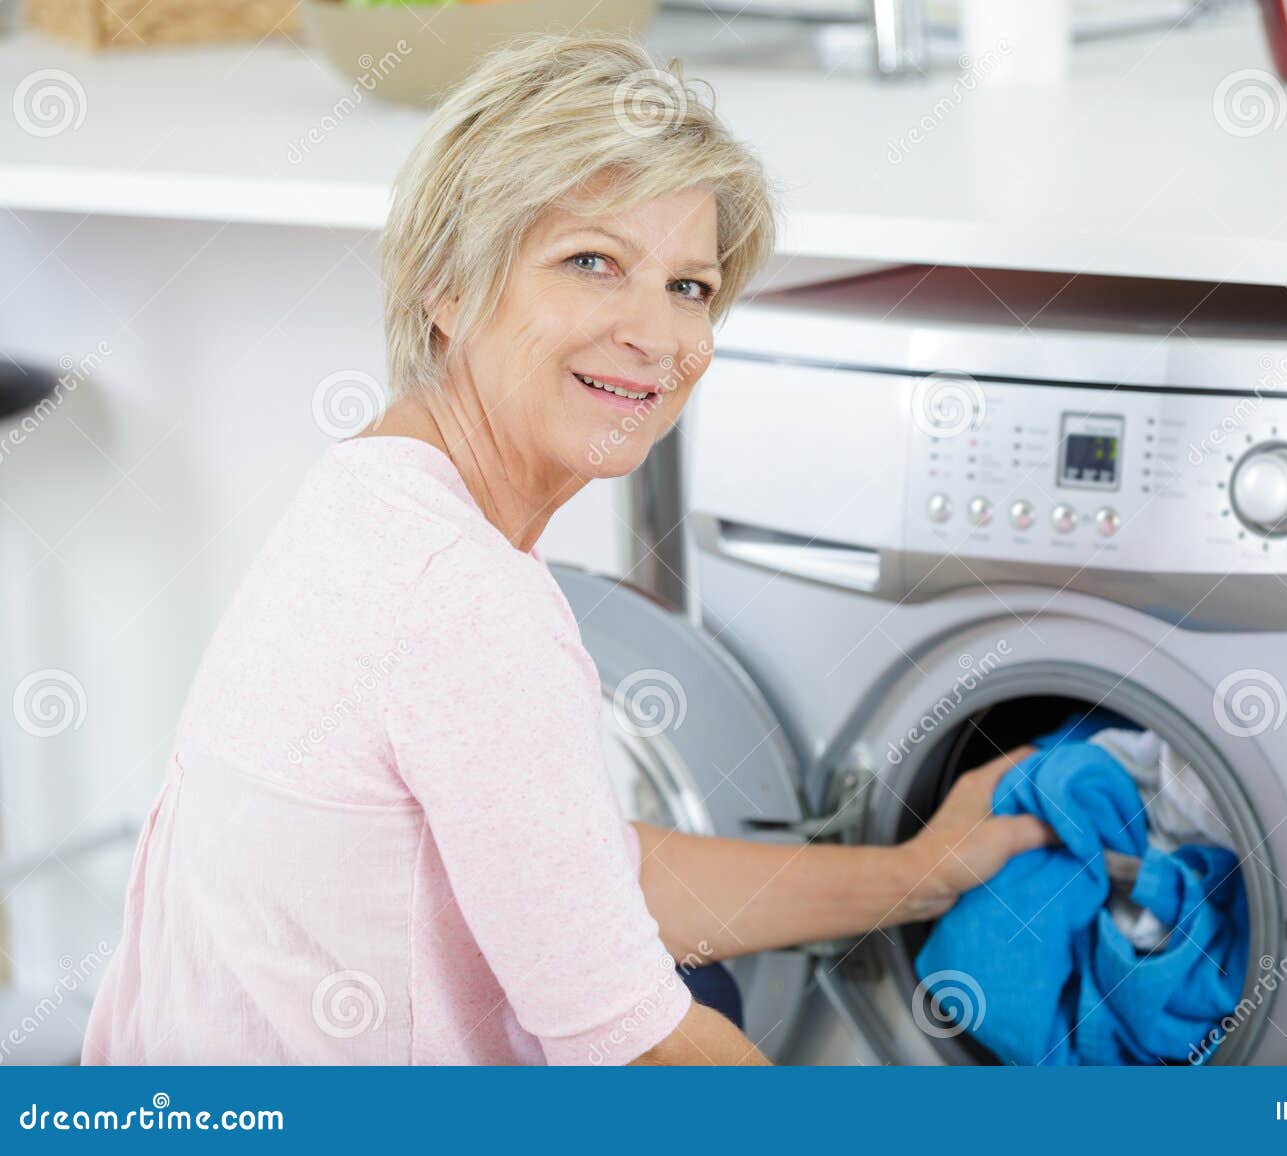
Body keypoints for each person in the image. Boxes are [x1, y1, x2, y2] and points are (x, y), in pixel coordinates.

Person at [82, 34, 1048, 1067]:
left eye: (690, 286)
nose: (656, 334)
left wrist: (919, 873)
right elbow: (647, 1056)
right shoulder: (464, 600)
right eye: (593, 262)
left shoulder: (370, 494)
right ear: (447, 287)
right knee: (696, 1003)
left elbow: (578, 879)